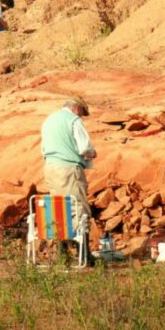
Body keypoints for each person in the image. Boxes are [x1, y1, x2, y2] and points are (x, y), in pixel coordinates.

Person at [41, 98, 98, 235]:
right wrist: (92, 153)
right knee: (78, 207)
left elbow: (43, 148)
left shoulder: (49, 120)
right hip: (68, 168)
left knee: (57, 207)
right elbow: (84, 148)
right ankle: (83, 252)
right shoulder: (73, 120)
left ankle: (62, 250)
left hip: (50, 167)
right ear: (77, 108)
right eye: (81, 113)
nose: (80, 117)